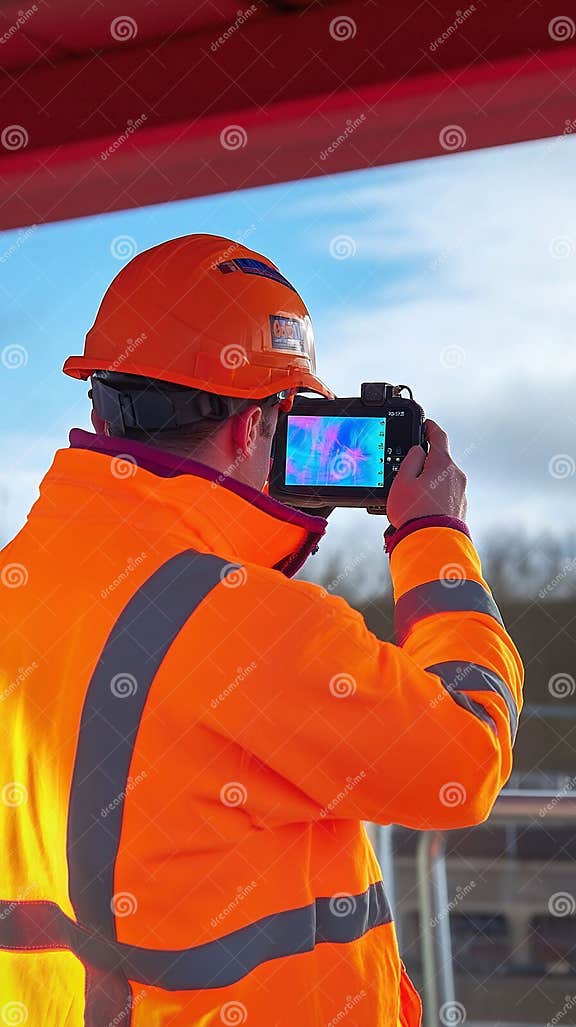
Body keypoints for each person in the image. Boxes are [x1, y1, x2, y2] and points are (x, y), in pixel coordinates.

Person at [0, 234, 523, 1026]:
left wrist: (253, 540)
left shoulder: (24, 583)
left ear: (99, 402)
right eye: (284, 419)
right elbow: (465, 754)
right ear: (253, 430)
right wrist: (434, 537)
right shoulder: (245, 624)